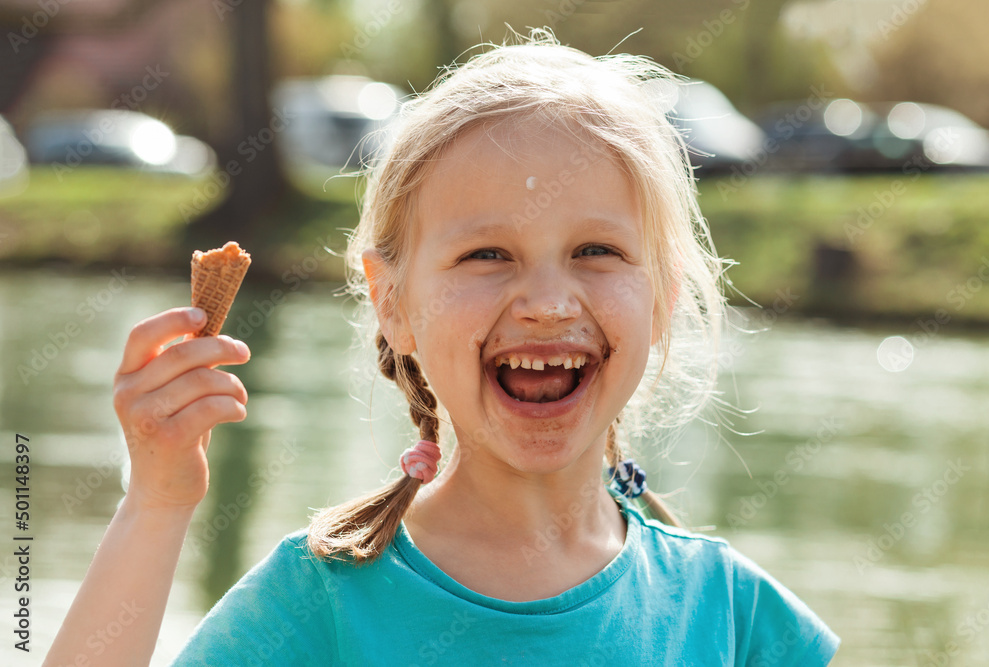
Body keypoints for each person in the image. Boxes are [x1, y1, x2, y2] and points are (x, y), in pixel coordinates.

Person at [44, 29, 840, 666]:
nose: (548, 302)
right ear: (393, 303)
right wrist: (156, 505)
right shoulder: (319, 605)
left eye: (597, 251)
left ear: (662, 298)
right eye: (487, 254)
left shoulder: (732, 618)